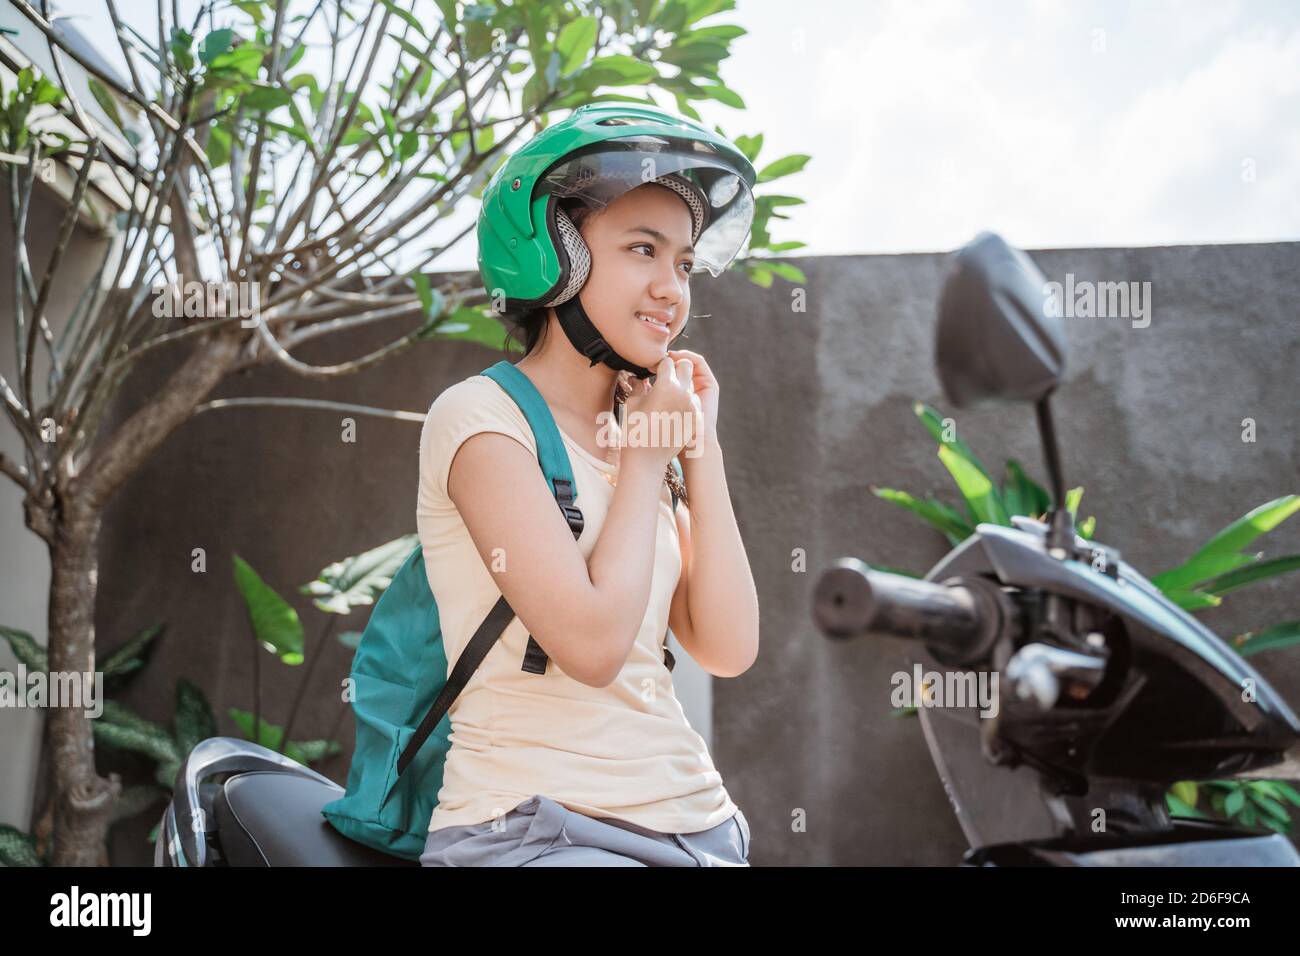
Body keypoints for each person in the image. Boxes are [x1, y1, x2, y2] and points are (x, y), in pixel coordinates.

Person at [415, 103, 761, 866]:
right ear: (555, 255)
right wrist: (644, 458)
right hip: (535, 829)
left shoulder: (642, 434)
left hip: (701, 826)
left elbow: (730, 646)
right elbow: (594, 646)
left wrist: (697, 449)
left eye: (685, 263)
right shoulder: (482, 419)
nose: (672, 288)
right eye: (643, 249)